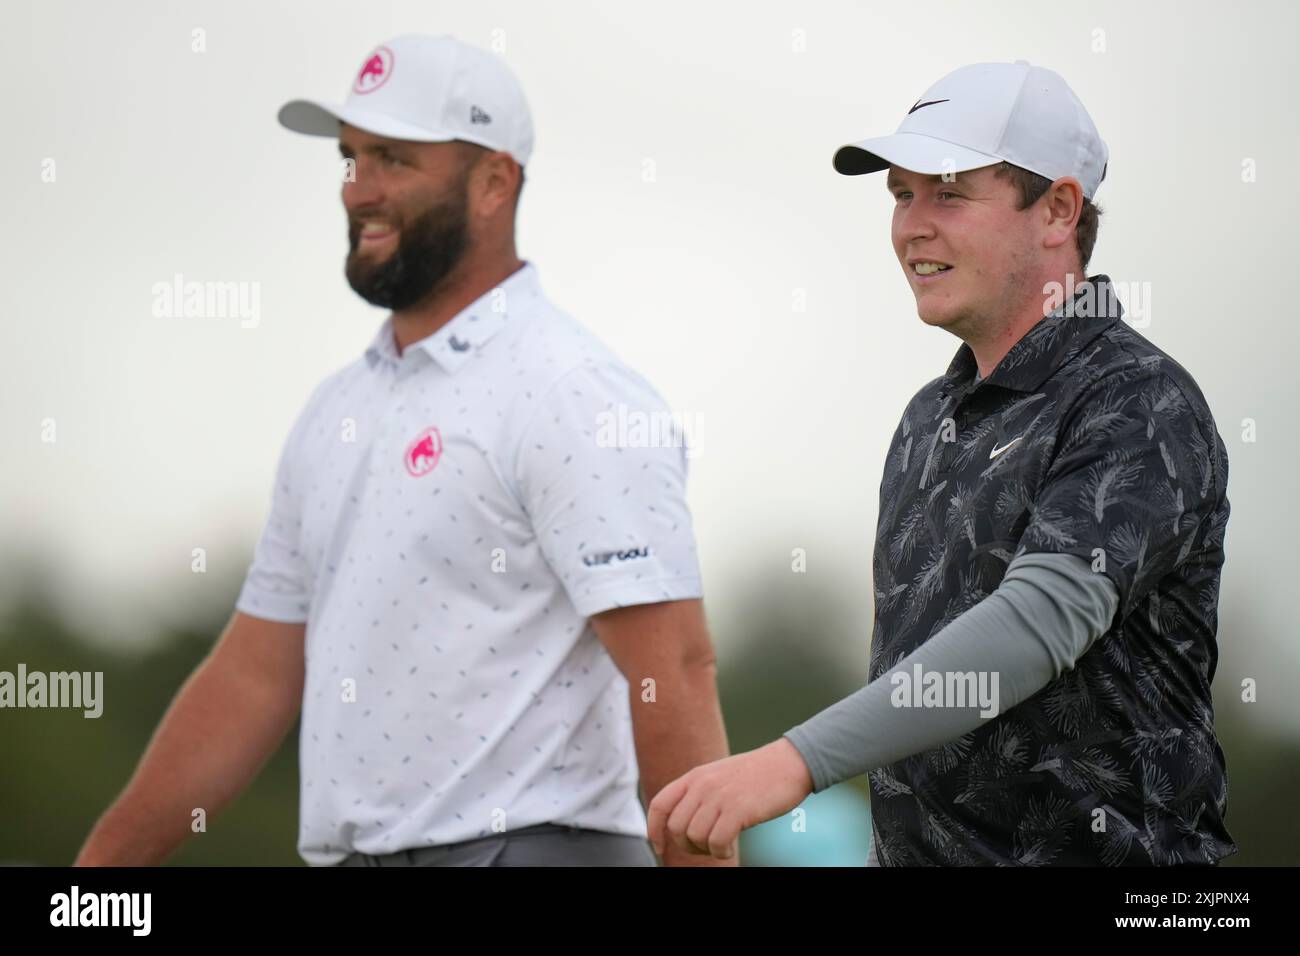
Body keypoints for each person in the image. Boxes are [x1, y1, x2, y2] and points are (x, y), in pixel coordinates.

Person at [77, 33, 732, 868]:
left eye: (393, 158)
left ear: (494, 181)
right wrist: (92, 881)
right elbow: (253, 676)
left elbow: (671, 667)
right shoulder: (335, 410)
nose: (360, 189)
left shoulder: (570, 391)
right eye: (350, 159)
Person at [648, 61, 1236, 866]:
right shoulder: (930, 417)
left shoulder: (1138, 397)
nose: (911, 226)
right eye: (901, 195)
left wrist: (795, 761)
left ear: (1058, 209)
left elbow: (1036, 626)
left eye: (949, 194)